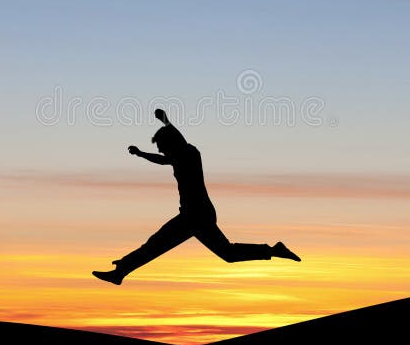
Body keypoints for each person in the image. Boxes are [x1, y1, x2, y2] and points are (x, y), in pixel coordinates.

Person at [93, 109, 300, 285]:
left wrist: (165, 120)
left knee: (157, 244)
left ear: (171, 144)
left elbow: (176, 142)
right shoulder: (177, 159)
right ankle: (273, 250)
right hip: (195, 216)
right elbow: (162, 159)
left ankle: (121, 271)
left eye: (163, 148)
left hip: (195, 216)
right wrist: (141, 154)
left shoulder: (189, 153)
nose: (162, 152)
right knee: (226, 253)